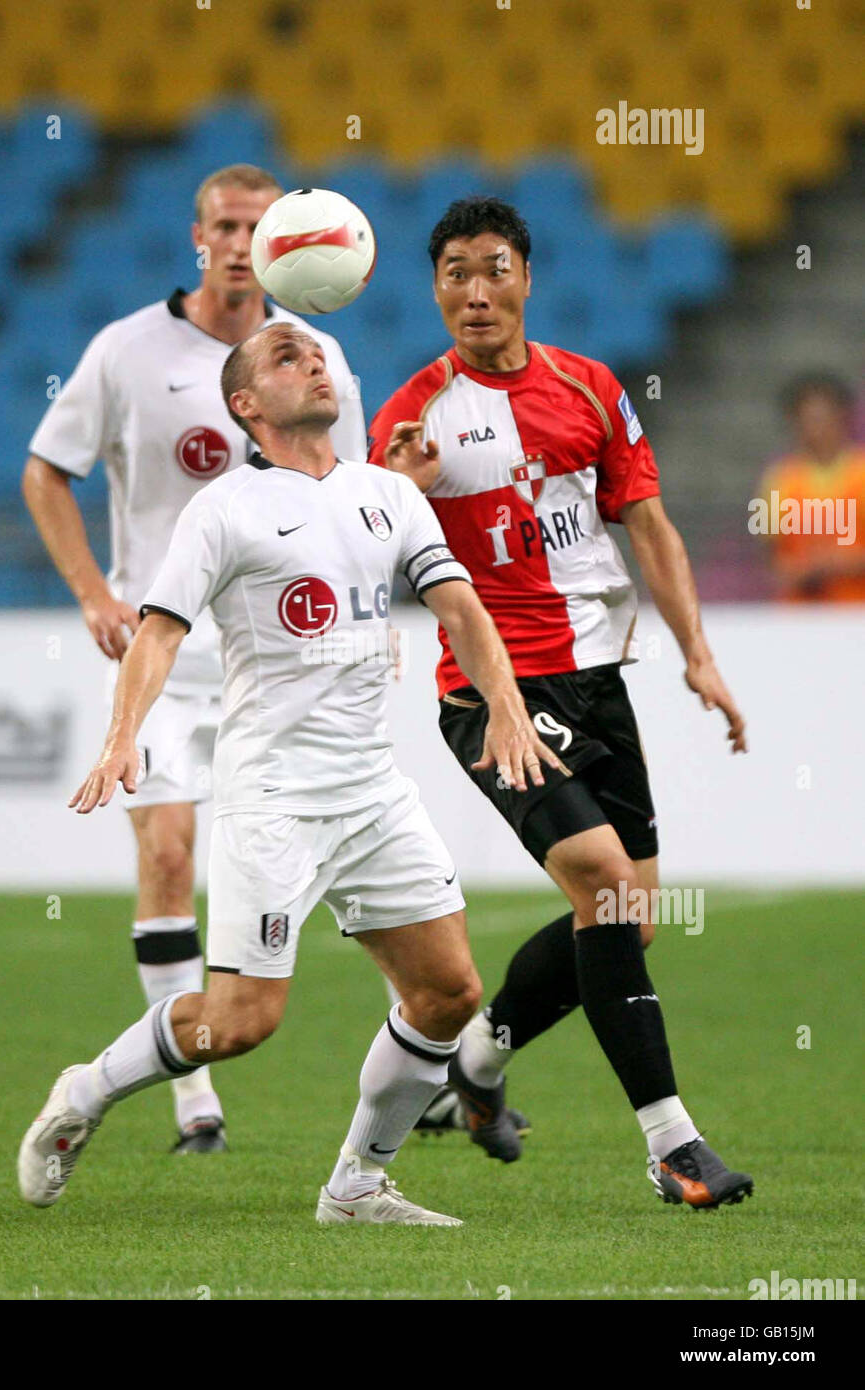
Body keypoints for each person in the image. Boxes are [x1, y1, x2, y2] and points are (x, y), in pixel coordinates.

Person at [18, 323, 562, 1225]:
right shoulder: (224, 509)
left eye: (315, 355)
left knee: (449, 992)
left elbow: (458, 605)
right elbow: (159, 631)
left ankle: (355, 1186)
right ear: (244, 404)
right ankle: (84, 1091)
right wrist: (124, 737)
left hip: (372, 790)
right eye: (283, 358)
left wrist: (505, 702)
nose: (310, 362)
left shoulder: (388, 493)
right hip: (272, 796)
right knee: (239, 1024)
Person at [370, 196, 754, 1209]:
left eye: (491, 268)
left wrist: (697, 654)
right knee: (597, 876)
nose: (474, 290)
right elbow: (357, 557)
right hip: (489, 689)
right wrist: (393, 491)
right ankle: (672, 1145)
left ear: (525, 279)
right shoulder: (410, 420)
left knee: (628, 910)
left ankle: (479, 1065)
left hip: (595, 677)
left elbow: (648, 525)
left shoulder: (588, 388)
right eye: (453, 271)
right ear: (436, 289)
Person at [22, 164, 366, 1154]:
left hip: (285, 652)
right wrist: (93, 590)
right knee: (168, 849)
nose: (234, 240)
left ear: (277, 243)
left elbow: (349, 489)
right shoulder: (127, 350)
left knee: (336, 862)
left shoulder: (317, 355)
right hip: (163, 647)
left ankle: (427, 1048)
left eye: (253, 227)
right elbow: (46, 472)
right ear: (196, 237)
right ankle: (193, 1096)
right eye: (221, 224)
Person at [756, 374, 865, 602]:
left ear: (842, 417)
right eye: (808, 419)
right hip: (800, 618)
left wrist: (841, 563)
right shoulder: (778, 480)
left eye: (823, 418)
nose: (816, 428)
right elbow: (771, 559)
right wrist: (802, 571)